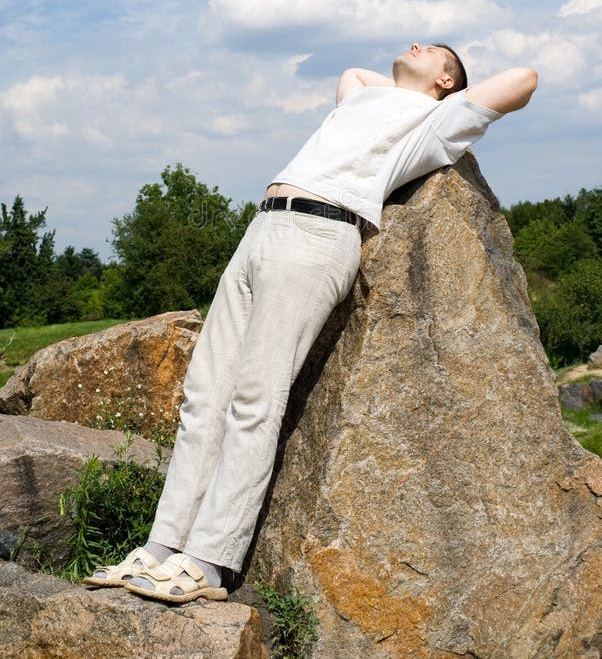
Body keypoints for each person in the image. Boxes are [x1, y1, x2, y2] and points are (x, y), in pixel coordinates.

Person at [83, 42, 537, 603]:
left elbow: (523, 78)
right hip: (262, 229)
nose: (413, 44)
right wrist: (410, 84)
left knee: (256, 398)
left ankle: (208, 564)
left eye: (431, 50)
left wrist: (449, 99)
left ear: (447, 82)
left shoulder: (434, 123)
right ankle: (161, 548)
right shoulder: (365, 103)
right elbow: (352, 73)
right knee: (204, 396)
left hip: (320, 235)